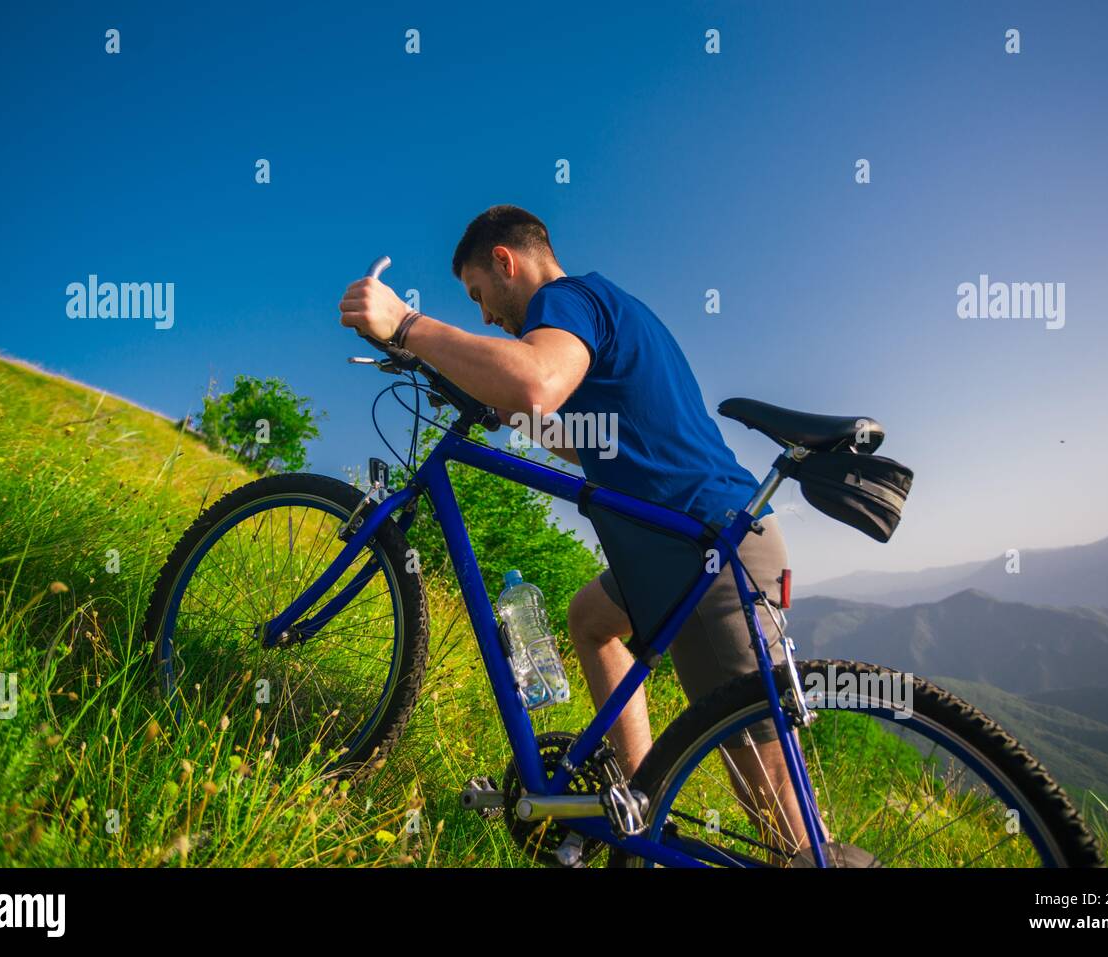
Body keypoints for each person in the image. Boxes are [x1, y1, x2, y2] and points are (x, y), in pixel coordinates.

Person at [339, 204, 813, 856]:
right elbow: (582, 437)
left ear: (505, 261)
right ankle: (641, 800)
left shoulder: (566, 300)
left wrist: (408, 323)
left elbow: (535, 381)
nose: (483, 315)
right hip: (675, 548)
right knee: (590, 618)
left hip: (711, 552)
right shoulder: (600, 310)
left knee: (773, 799)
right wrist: (490, 392)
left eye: (478, 294)